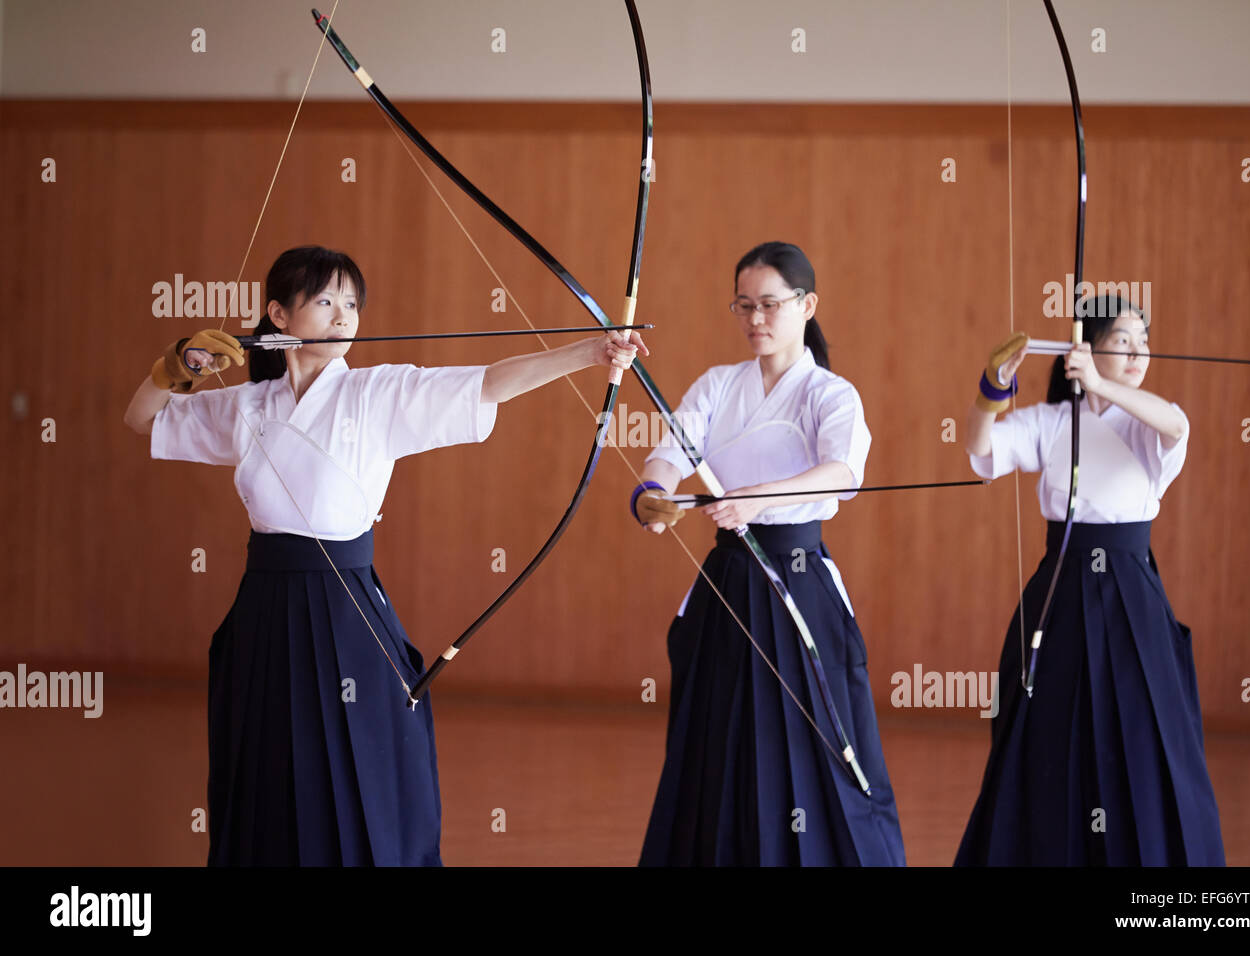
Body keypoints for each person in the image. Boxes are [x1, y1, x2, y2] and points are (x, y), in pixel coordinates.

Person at [123, 244, 646, 866]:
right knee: (267, 762)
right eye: (325, 301)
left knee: (361, 763)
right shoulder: (249, 405)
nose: (344, 315)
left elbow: (486, 384)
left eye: (352, 303)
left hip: (347, 608)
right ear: (279, 317)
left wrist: (589, 352)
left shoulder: (377, 392)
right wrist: (174, 365)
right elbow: (142, 419)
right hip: (264, 609)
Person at [630, 241, 905, 866]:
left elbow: (842, 470)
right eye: (744, 305)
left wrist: (758, 498)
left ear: (807, 305)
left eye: (771, 305)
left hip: (798, 584)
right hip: (728, 580)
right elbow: (672, 449)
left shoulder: (830, 394)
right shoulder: (718, 385)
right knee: (717, 738)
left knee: (816, 742)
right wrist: (654, 494)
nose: (756, 318)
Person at [955, 295, 1224, 865]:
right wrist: (991, 387)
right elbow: (979, 450)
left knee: (1146, 734)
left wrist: (1101, 385)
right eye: (1122, 341)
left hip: (1131, 595)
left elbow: (1177, 423)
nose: (1137, 353)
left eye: (1142, 342)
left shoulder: (1149, 422)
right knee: (1047, 731)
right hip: (1062, 593)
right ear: (1088, 345)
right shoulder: (1053, 423)